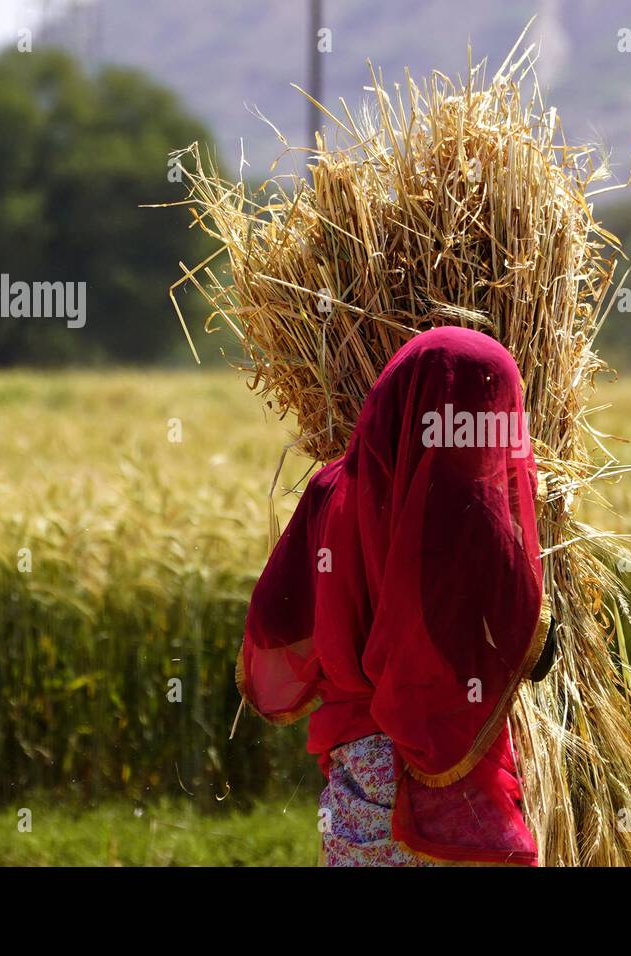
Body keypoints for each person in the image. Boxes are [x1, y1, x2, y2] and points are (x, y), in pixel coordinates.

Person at [235, 325, 556, 866]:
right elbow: (532, 652)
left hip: (358, 763)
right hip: (446, 773)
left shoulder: (332, 488)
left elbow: (273, 618)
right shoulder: (476, 522)